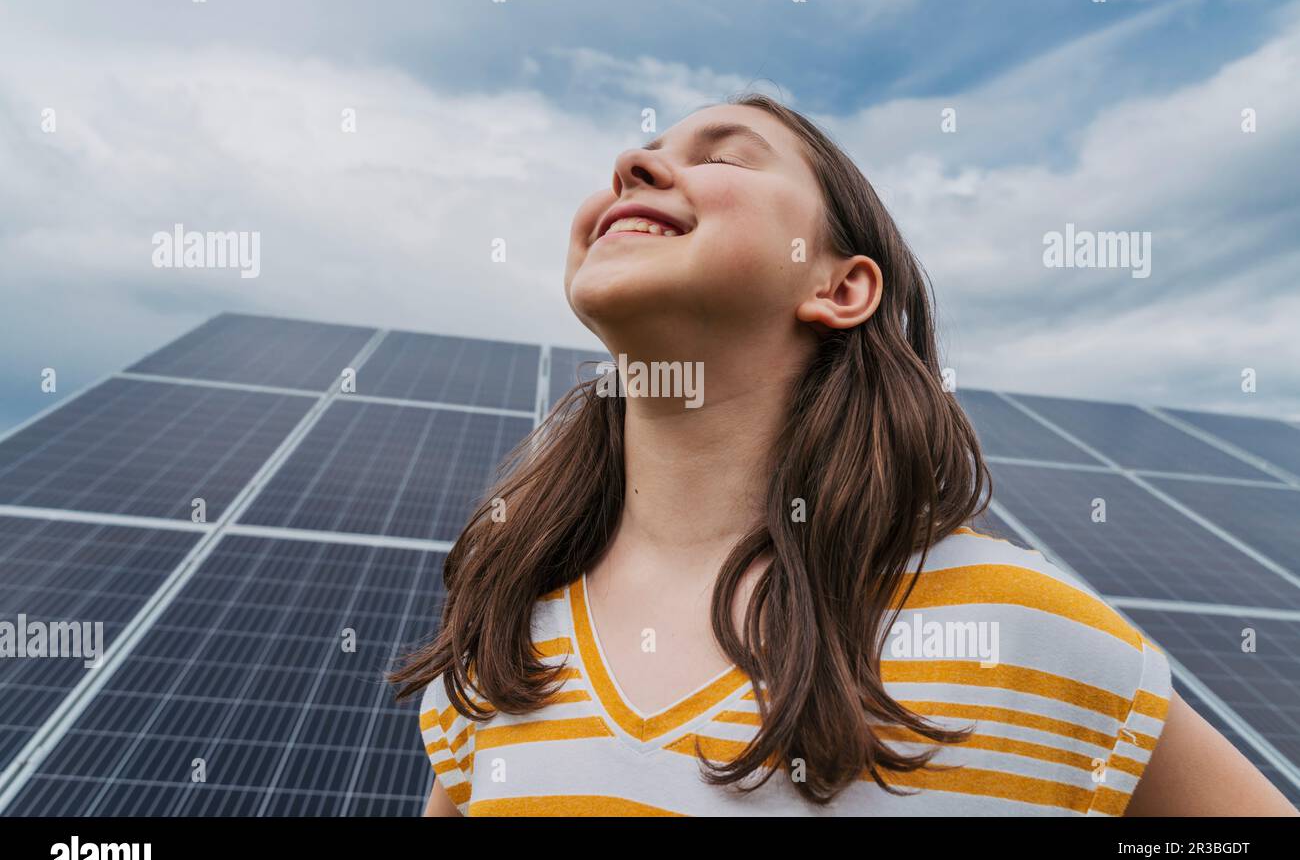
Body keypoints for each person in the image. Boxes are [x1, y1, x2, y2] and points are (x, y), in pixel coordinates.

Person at [390, 93, 1297, 817]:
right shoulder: (502, 643)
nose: (633, 164)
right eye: (640, 154)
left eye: (721, 154)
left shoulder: (1027, 628)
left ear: (841, 285)